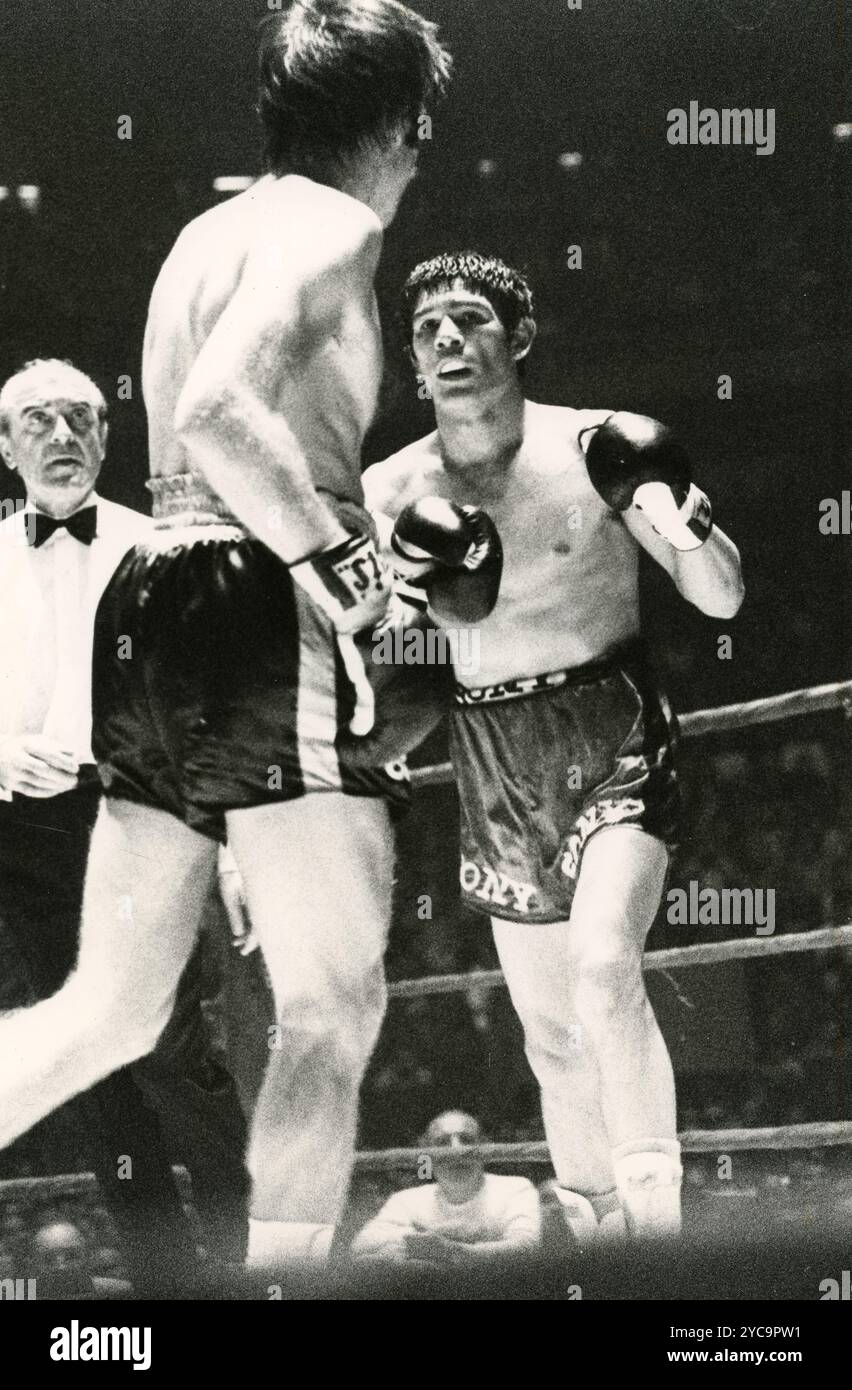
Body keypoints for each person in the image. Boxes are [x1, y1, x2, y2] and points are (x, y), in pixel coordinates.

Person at [0, 0, 455, 1270]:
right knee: (328, 1000)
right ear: (407, 123)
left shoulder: (209, 230)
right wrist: (353, 582)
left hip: (149, 601)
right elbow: (214, 409)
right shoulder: (338, 224)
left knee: (111, 1008)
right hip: (257, 595)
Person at [364, 251, 745, 1244]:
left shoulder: (596, 449)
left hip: (609, 723)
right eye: (429, 330)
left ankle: (660, 1234)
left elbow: (721, 597)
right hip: (490, 748)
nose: (449, 340)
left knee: (604, 962)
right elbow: (380, 668)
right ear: (412, 361)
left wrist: (681, 514)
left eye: (470, 320)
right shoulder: (389, 487)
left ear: (519, 336)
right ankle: (602, 1237)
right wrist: (405, 606)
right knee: (550, 1036)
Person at [0, 358, 249, 1287]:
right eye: (38, 421)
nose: (60, 436)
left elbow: (216, 707)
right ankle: (166, 1283)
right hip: (25, 834)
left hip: (146, 811)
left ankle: (253, 1266)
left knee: (172, 1049)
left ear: (106, 435)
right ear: (5, 445)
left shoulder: (166, 548)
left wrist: (234, 848)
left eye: (80, 417)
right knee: (88, 1072)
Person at [351, 1110, 540, 1265]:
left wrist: (454, 1251)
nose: (456, 1151)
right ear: (426, 1155)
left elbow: (526, 1245)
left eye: (466, 1140)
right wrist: (436, 1236)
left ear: (484, 1148)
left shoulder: (515, 1188)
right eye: (442, 1142)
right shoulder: (407, 1199)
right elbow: (361, 1245)